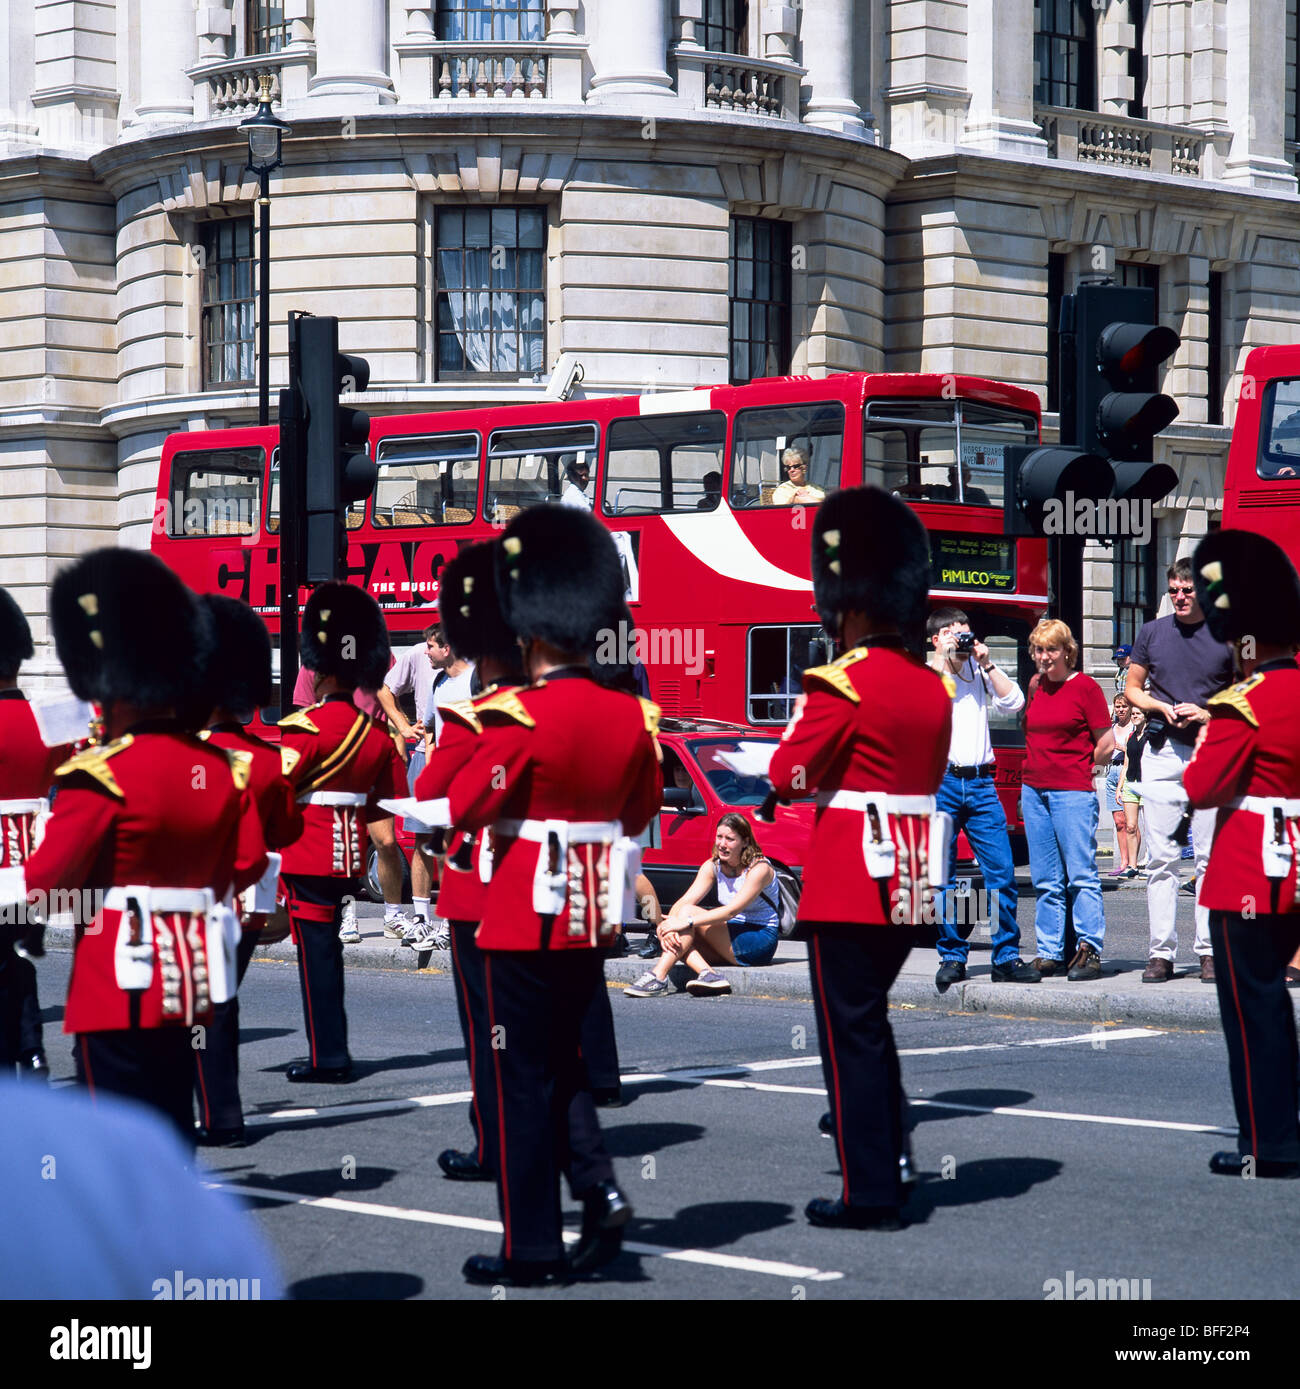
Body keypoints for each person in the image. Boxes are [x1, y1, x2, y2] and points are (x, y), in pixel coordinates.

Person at [445, 505, 661, 1287]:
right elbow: (639, 811)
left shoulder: (516, 714)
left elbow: (464, 804)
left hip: (522, 911)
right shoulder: (631, 714)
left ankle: (530, 1244)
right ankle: (599, 1188)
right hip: (591, 906)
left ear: (530, 628)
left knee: (519, 1079)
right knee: (564, 1063)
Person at [2, 549, 268, 1142]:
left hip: (118, 978)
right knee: (172, 1130)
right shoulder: (226, 769)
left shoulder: (100, 774)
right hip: (192, 972)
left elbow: (46, 884)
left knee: (117, 1146)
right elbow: (248, 861)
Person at [769, 486, 953, 1231]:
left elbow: (790, 775)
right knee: (871, 1022)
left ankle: (868, 1188)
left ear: (850, 601)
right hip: (909, 877)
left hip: (849, 879)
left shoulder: (840, 682)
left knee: (851, 1035)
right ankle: (896, 1161)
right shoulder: (931, 689)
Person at [1182, 531, 1300, 1179]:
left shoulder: (1243, 702)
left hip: (1251, 870)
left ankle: (1269, 1143)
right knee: (1276, 1006)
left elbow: (1204, 787)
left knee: (1256, 1013)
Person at [413, 542, 526, 1181]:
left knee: (489, 1031)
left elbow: (432, 800)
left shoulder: (471, 717)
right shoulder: (585, 710)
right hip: (560, 896)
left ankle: (497, 1142)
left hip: (481, 892)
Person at [278, 582, 408, 1084]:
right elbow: (387, 799)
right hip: (348, 857)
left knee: (317, 960)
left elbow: (275, 792)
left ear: (320, 666)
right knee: (326, 951)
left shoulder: (306, 727)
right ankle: (330, 1050)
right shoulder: (375, 736)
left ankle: (328, 1056)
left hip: (306, 854)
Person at [193, 595, 304, 1146]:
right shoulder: (265, 759)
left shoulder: (188, 757)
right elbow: (286, 831)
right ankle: (222, 1113)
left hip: (190, 906)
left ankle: (203, 1116)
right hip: (249, 909)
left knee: (194, 1009)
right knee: (220, 1000)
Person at [1124, 557, 1235, 983]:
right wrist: (1157, 705)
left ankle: (1208, 951)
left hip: (1210, 753)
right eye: (1173, 590)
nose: (1181, 597)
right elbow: (1133, 687)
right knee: (1162, 859)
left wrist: (1208, 713)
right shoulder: (1153, 632)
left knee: (1209, 858)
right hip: (1162, 750)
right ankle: (1161, 954)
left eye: (1187, 590)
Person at [926, 607, 1037, 989]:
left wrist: (987, 664)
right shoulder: (927, 675)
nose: (962, 641)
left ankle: (1005, 956)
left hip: (981, 785)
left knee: (1002, 874)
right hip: (941, 783)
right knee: (944, 879)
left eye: (966, 634)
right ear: (937, 638)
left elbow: (1015, 702)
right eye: (955, 635)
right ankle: (952, 955)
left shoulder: (978, 671)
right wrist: (944, 661)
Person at [0, 586, 72, 1079]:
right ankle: (31, 1051)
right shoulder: (49, 723)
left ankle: (19, 1053)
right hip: (34, 864)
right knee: (10, 956)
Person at [1021, 618, 1114, 981]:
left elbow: (1106, 743)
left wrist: (1081, 768)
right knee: (1045, 879)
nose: (1044, 657)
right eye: (1039, 650)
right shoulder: (1034, 685)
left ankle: (1089, 949)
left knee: (1081, 876)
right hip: (1034, 791)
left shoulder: (1086, 688)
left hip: (1072, 792)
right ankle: (1049, 952)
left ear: (1066, 652)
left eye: (1051, 650)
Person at [624, 813, 778, 998]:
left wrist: (686, 922)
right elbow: (684, 901)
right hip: (730, 935)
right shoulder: (713, 866)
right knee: (680, 938)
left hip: (758, 939)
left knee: (687, 919)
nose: (722, 844)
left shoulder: (759, 869)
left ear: (745, 842)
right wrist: (667, 928)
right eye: (719, 837)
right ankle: (709, 974)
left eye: (730, 839)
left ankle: (658, 976)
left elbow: (731, 911)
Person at [374, 623, 441, 945]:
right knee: (423, 839)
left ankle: (465, 917)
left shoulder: (475, 659)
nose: (427, 651)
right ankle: (421, 916)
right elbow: (386, 689)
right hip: (424, 751)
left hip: (461, 753)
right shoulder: (418, 653)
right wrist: (401, 724)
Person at [1105, 695, 1137, 876]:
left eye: (1124, 706)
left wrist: (1121, 747)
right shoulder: (1111, 728)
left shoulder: (1135, 727)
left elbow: (1137, 750)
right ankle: (1124, 862)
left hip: (1128, 771)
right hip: (1112, 771)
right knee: (1118, 822)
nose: (1121, 710)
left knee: (1130, 822)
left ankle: (1134, 861)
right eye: (1118, 707)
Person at [1118, 709, 1148, 880]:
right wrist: (1119, 787)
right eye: (1133, 714)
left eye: (1138, 714)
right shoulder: (1130, 737)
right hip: (1131, 783)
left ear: (1145, 716)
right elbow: (1126, 764)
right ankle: (1132, 865)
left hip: (1147, 783)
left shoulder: (1152, 736)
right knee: (1130, 827)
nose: (1135, 717)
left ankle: (1150, 864)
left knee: (1149, 827)